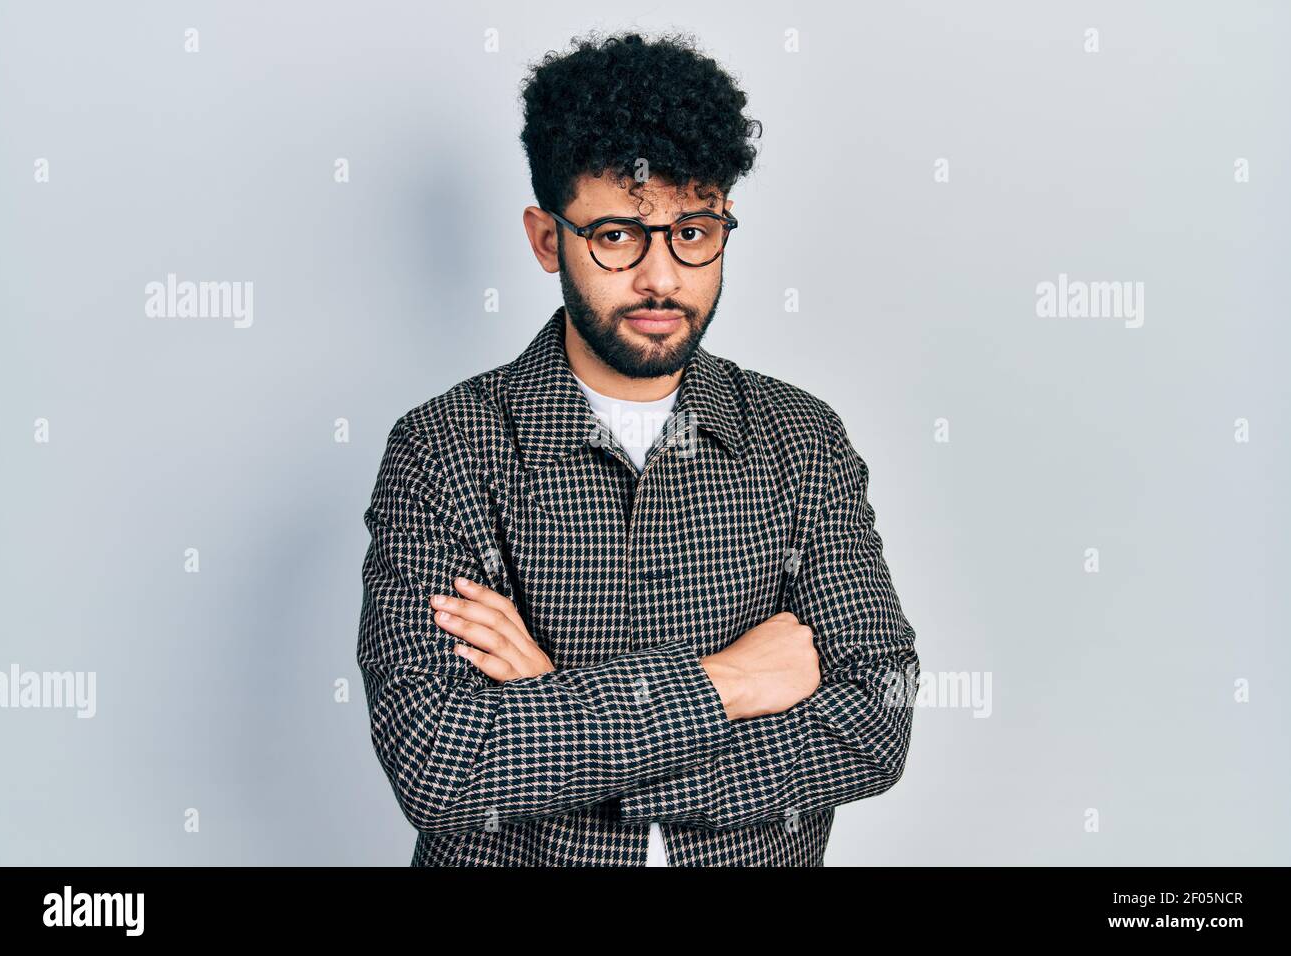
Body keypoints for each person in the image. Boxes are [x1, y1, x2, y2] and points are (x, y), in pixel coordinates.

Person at [357, 30, 919, 867]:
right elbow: (438, 764)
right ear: (548, 238)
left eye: (693, 230)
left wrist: (553, 708)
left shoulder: (803, 440)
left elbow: (876, 718)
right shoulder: (443, 449)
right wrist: (725, 685)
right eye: (618, 235)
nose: (662, 277)